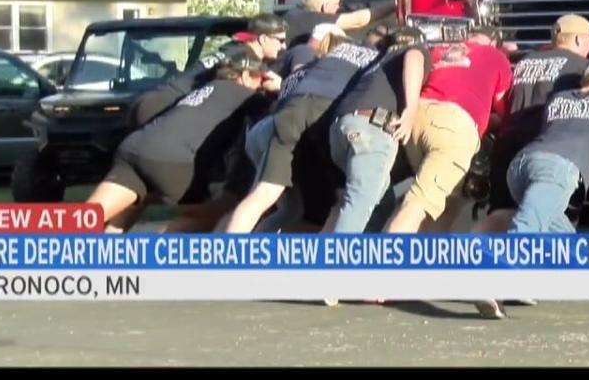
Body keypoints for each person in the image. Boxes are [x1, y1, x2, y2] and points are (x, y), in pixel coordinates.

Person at [474, 59, 589, 319]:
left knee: (561, 236)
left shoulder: (557, 99)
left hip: (522, 166)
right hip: (558, 167)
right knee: (527, 226)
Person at [87, 50, 270, 232]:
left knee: (92, 215)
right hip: (173, 161)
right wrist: (279, 84)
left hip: (135, 148)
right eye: (261, 79)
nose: (262, 85)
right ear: (245, 75)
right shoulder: (241, 92)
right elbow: (278, 107)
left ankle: (70, 248)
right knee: (216, 214)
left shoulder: (206, 89)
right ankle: (159, 256)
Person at [222, 25, 380, 233]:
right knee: (342, 198)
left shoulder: (318, 65)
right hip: (319, 115)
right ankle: (327, 260)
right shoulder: (372, 58)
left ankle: (229, 255)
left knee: (270, 196)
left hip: (276, 122)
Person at [475, 14, 589, 234]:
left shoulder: (525, 61)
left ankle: (471, 261)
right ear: (578, 39)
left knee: (500, 215)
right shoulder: (580, 66)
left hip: (507, 147)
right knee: (546, 219)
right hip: (545, 150)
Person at [383, 27, 512, 234]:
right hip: (452, 126)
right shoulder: (496, 56)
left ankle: (428, 260)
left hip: (418, 116)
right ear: (493, 41)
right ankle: (390, 262)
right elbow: (504, 110)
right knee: (418, 204)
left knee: (449, 199)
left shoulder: (440, 50)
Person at [323, 26, 430, 234]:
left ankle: (365, 260)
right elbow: (414, 58)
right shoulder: (414, 49)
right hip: (372, 129)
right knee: (360, 202)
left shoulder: (377, 62)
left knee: (382, 204)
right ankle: (338, 262)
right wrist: (411, 110)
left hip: (341, 129)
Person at [129, 14, 287, 128]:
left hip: (153, 99)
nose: (284, 46)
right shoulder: (245, 60)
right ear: (264, 39)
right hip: (166, 106)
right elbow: (271, 86)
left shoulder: (233, 48)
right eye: (280, 40)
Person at [284, 0, 394, 48]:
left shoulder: (291, 15)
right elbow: (359, 20)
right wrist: (396, 5)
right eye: (337, 3)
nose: (338, 7)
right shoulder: (315, 19)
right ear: (325, 7)